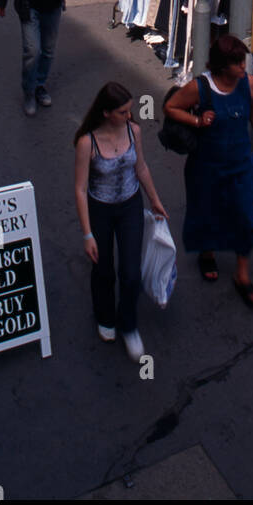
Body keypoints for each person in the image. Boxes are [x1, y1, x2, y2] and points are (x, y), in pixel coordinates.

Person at [164, 34, 253, 307]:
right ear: (223, 65)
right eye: (238, 63)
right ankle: (207, 253)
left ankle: (242, 276)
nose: (243, 67)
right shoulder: (200, 87)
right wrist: (197, 120)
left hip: (238, 166)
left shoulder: (249, 85)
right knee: (206, 212)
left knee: (244, 216)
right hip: (205, 166)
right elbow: (171, 106)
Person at [74, 82, 167, 359]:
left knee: (131, 272)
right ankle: (105, 316)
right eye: (123, 112)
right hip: (100, 209)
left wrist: (154, 199)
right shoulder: (87, 142)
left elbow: (141, 167)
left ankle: (128, 324)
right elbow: (79, 189)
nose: (130, 116)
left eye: (130, 110)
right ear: (105, 113)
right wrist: (87, 233)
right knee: (103, 270)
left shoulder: (134, 131)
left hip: (129, 206)